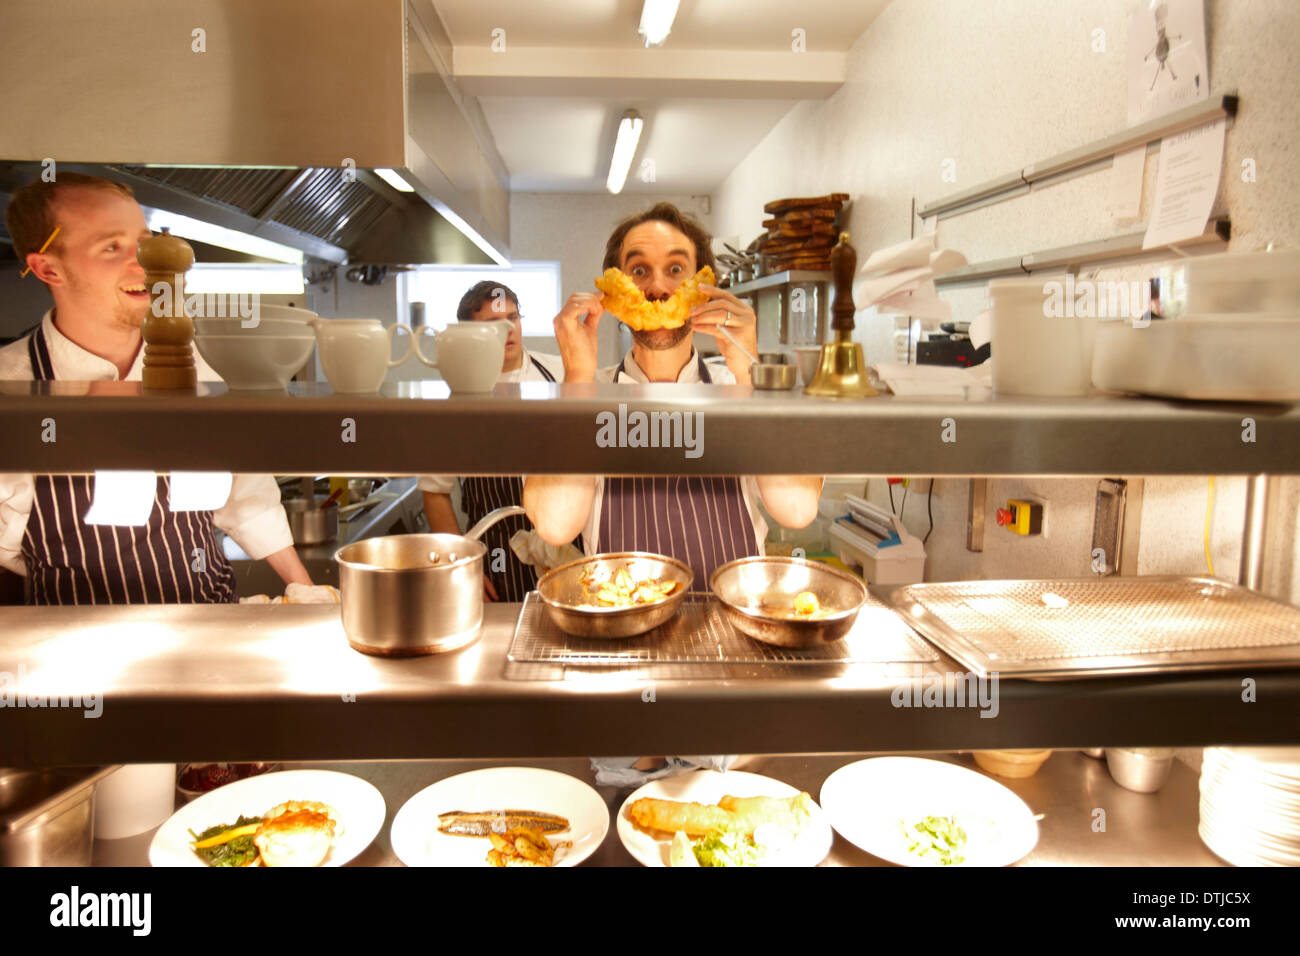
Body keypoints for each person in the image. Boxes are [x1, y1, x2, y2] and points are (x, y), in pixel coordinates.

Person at [523, 202, 823, 784]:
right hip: (624, 674)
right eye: (638, 271)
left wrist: (753, 376)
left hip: (736, 673)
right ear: (610, 293)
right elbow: (557, 526)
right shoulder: (585, 398)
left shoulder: (746, 392)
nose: (657, 287)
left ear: (704, 284)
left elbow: (797, 509)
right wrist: (578, 382)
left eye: (676, 269)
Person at [0, 173, 312, 604]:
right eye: (111, 247)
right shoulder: (11, 385)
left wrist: (307, 593)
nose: (145, 264)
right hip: (72, 647)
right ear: (48, 268)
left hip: (209, 626)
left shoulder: (200, 366)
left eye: (144, 243)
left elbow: (246, 495)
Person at [420, 280, 567, 602]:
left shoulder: (560, 373)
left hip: (567, 548)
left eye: (512, 319)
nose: (508, 330)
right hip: (496, 556)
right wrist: (459, 565)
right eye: (493, 325)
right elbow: (434, 491)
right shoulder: (456, 400)